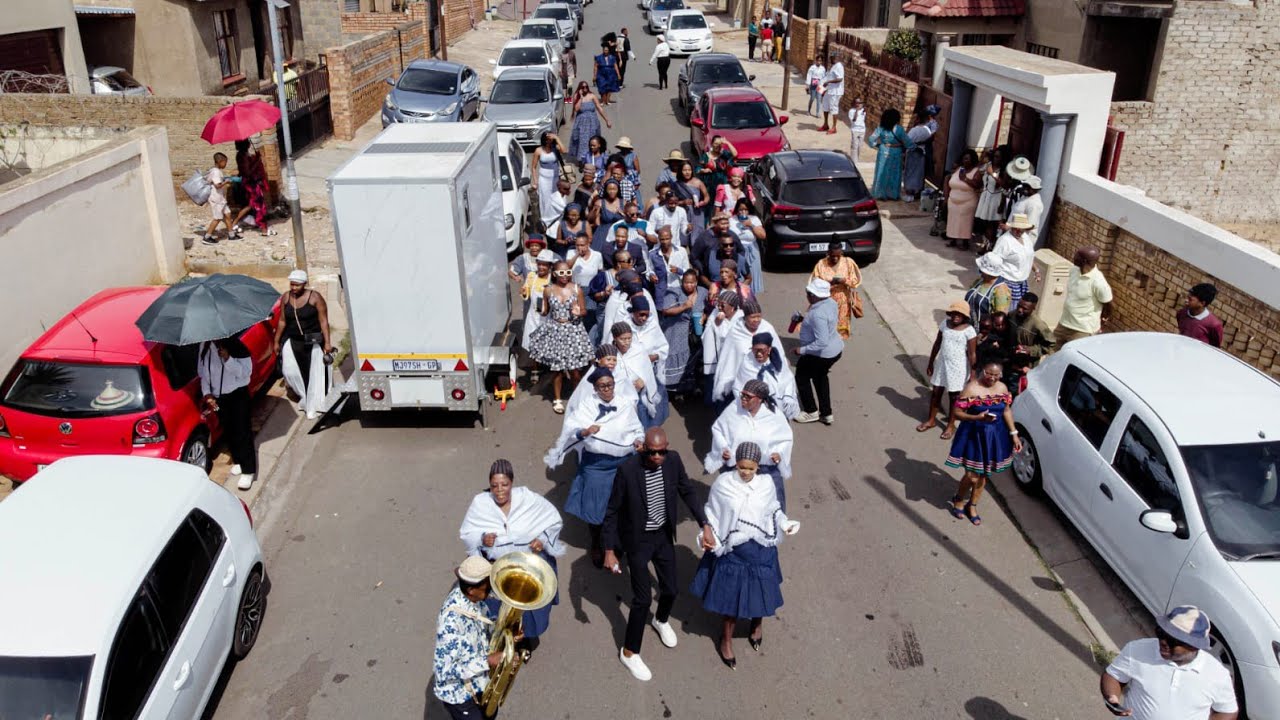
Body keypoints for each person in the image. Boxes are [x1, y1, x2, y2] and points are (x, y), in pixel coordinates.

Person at [602, 427, 713, 682]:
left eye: (662, 452)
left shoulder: (672, 461)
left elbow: (687, 491)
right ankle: (629, 652)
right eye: (653, 453)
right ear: (644, 449)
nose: (657, 457)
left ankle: (661, 620)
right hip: (638, 541)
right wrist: (609, 550)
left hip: (663, 536)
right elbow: (611, 512)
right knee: (641, 600)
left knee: (671, 589)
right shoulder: (628, 470)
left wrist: (704, 523)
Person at [691, 441, 799, 668]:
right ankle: (726, 641)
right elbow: (711, 512)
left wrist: (785, 523)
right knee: (731, 603)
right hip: (734, 551)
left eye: (750, 468)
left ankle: (756, 625)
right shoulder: (723, 483)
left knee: (760, 591)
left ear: (758, 466)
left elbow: (773, 509)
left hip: (760, 548)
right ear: (735, 464)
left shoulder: (767, 484)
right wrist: (707, 535)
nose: (746, 472)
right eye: (741, 467)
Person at [459, 459, 565, 644]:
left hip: (527, 569)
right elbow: (467, 534)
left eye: (504, 484)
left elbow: (554, 521)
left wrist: (542, 540)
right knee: (497, 610)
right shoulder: (480, 504)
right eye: (494, 485)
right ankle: (502, 639)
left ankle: (525, 639)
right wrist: (482, 539)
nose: (499, 490)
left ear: (512, 483)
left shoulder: (529, 499)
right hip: (498, 570)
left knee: (530, 610)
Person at [546, 367, 645, 564]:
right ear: (595, 388)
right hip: (596, 465)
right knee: (596, 507)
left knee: (621, 505)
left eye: (610, 385)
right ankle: (597, 543)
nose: (607, 389)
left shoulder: (625, 404)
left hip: (622, 464)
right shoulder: (586, 405)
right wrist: (584, 432)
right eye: (602, 386)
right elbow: (571, 430)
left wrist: (639, 440)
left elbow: (637, 428)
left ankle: (617, 544)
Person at [1101, 606, 1238, 720]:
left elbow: (1227, 711)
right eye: (1161, 633)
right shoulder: (1137, 649)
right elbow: (1113, 676)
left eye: (1172, 641)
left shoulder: (1217, 674)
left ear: (1194, 646)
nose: (1163, 642)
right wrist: (1112, 697)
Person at [944, 360, 1021, 527]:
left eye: (995, 375)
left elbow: (1006, 410)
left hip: (996, 436)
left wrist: (1014, 434)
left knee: (984, 474)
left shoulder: (1002, 388)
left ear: (1000, 375)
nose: (991, 378)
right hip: (973, 435)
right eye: (988, 373)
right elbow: (957, 413)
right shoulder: (971, 388)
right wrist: (977, 418)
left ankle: (972, 506)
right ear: (982, 371)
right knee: (972, 475)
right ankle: (959, 498)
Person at [431, 556, 505, 720]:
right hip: (462, 696)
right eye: (488, 585)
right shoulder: (450, 624)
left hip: (479, 681)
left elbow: (485, 627)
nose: (492, 588)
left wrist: (508, 635)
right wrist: (487, 661)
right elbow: (444, 671)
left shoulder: (476, 601)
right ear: (472, 589)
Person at [528, 261, 594, 414]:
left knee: (575, 370)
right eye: (561, 273)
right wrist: (540, 310)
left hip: (574, 330)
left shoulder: (577, 289)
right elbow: (545, 311)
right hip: (555, 330)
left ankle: (577, 397)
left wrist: (579, 312)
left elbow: (584, 310)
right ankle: (557, 399)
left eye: (568, 272)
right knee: (556, 370)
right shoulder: (548, 290)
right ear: (555, 273)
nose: (565, 276)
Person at [274, 269, 333, 420]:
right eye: (292, 284)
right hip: (293, 341)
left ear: (305, 284)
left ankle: (312, 404)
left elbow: (324, 321)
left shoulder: (315, 298)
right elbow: (282, 320)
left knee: (313, 374)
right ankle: (304, 396)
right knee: (291, 372)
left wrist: (327, 342)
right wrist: (276, 341)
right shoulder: (287, 297)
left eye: (297, 285)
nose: (293, 288)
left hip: (312, 342)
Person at [198, 338, 256, 490]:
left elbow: (246, 373)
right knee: (227, 429)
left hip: (238, 396)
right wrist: (208, 394)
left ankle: (249, 469)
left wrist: (228, 359)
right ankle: (238, 459)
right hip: (218, 401)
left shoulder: (236, 346)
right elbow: (203, 373)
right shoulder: (205, 345)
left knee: (242, 431)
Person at [919, 300, 977, 437]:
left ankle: (950, 425)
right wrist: (931, 362)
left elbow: (972, 354)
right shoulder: (945, 324)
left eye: (960, 314)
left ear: (965, 316)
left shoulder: (969, 331)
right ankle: (931, 420)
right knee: (936, 392)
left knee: (954, 397)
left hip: (958, 368)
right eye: (954, 313)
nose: (956, 316)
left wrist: (973, 374)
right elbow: (937, 343)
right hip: (942, 365)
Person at [792, 278, 843, 425]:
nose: (806, 295)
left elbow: (821, 341)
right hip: (835, 349)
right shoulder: (830, 303)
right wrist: (804, 319)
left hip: (821, 354)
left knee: (802, 376)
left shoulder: (817, 314)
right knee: (820, 377)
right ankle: (826, 413)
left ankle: (810, 411)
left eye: (808, 293)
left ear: (814, 295)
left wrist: (801, 350)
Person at [731, 331, 799, 419]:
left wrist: (788, 397)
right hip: (756, 411)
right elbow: (739, 386)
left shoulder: (779, 361)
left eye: (762, 350)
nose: (758, 354)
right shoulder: (747, 363)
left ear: (769, 349)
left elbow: (788, 380)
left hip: (779, 407)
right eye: (755, 350)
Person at [659, 269, 706, 396]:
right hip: (675, 331)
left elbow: (708, 308)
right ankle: (673, 390)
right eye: (686, 282)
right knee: (676, 357)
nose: (689, 285)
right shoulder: (674, 292)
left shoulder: (702, 292)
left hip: (694, 332)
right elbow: (666, 310)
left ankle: (689, 387)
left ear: (696, 282)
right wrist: (684, 307)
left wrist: (703, 317)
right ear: (682, 282)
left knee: (692, 358)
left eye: (692, 282)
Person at [1055, 245, 1113, 347]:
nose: (1074, 256)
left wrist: (1103, 320)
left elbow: (1108, 304)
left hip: (1082, 331)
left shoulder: (1098, 282)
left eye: (1078, 256)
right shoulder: (1074, 270)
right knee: (1050, 352)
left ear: (1085, 261)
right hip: (1064, 324)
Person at [626, 296, 670, 427]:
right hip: (633, 375)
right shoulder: (625, 326)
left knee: (653, 403)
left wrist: (654, 356)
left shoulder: (653, 326)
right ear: (633, 312)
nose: (644, 318)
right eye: (641, 315)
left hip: (652, 372)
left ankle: (653, 431)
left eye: (646, 315)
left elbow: (663, 347)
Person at [809, 240, 862, 339]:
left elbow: (855, 282)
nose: (835, 258)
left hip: (843, 304)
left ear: (841, 253)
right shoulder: (821, 264)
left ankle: (837, 348)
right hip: (825, 302)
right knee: (825, 328)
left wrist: (844, 280)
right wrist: (829, 283)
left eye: (838, 256)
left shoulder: (848, 263)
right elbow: (814, 283)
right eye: (832, 256)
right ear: (828, 253)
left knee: (841, 331)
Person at [988, 213, 1037, 305]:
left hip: (1022, 282)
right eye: (1016, 229)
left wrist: (1036, 270)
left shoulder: (1026, 238)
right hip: (1008, 283)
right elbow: (994, 262)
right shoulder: (1005, 241)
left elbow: (1028, 257)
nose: (1018, 232)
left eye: (1021, 230)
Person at [701, 290, 740, 405]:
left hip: (732, 360)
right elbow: (708, 333)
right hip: (716, 357)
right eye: (718, 304)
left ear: (732, 308)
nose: (719, 307)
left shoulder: (741, 318)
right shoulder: (715, 313)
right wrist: (717, 323)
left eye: (723, 305)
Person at [867, 109, 913, 200]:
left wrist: (878, 145)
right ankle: (892, 195)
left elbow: (871, 139)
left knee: (881, 172)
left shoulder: (881, 128)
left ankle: (880, 194)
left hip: (883, 151)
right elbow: (908, 143)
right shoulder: (899, 129)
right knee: (894, 173)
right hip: (896, 153)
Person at [232, 139, 274, 236]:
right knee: (259, 205)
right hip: (251, 184)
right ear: (245, 145)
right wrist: (257, 161)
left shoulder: (242, 155)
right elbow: (248, 172)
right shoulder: (242, 156)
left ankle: (234, 222)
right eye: (247, 142)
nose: (249, 144)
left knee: (251, 205)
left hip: (249, 183)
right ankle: (263, 228)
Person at [944, 148, 983, 250]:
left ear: (973, 160)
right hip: (953, 201)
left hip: (968, 202)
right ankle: (953, 239)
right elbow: (949, 179)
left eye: (968, 159)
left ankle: (965, 243)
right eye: (964, 159)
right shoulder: (959, 169)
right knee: (953, 220)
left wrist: (965, 179)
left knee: (965, 222)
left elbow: (977, 185)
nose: (966, 161)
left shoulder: (976, 172)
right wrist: (946, 196)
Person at [520, 249, 557, 355]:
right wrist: (523, 292)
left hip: (549, 316)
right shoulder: (532, 276)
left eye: (544, 265)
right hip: (533, 316)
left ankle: (546, 367)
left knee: (548, 343)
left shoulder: (553, 279)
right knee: (532, 343)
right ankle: (535, 368)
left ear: (550, 266)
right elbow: (526, 293)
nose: (541, 267)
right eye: (539, 264)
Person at [902, 105, 941, 203]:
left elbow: (908, 141)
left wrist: (916, 144)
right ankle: (918, 190)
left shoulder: (917, 129)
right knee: (919, 172)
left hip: (914, 152)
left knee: (911, 172)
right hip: (922, 152)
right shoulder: (927, 128)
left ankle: (911, 191)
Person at [728, 197, 766, 295]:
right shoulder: (732, 220)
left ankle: (751, 298)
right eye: (741, 209)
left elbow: (762, 235)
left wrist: (751, 225)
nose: (743, 212)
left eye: (745, 209)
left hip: (752, 250)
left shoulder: (754, 219)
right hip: (737, 251)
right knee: (738, 275)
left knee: (751, 275)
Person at [202, 152, 241, 245]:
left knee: (228, 214)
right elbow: (217, 185)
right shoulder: (215, 172)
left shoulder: (216, 171)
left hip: (221, 198)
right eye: (225, 162)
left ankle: (231, 235)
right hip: (216, 198)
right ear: (220, 161)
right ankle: (207, 237)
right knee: (217, 218)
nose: (225, 164)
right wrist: (226, 181)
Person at [974, 147, 1007, 250]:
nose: (997, 159)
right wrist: (984, 156)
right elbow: (978, 170)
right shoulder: (988, 165)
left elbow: (1004, 185)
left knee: (993, 225)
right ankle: (986, 244)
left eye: (999, 157)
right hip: (986, 197)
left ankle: (990, 246)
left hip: (996, 198)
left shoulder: (1003, 170)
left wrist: (992, 174)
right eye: (995, 156)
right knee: (984, 223)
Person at [569, 83, 611, 162]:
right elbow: (576, 109)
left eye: (586, 87)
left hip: (592, 123)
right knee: (583, 142)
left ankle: (594, 158)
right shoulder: (577, 96)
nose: (585, 88)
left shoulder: (592, 96)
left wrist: (607, 120)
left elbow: (599, 108)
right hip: (582, 124)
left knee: (593, 141)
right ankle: (582, 160)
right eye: (583, 87)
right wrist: (581, 97)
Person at [532, 132, 567, 227]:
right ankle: (545, 221)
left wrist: (557, 138)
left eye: (551, 140)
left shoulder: (556, 148)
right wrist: (535, 181)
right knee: (545, 200)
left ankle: (558, 218)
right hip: (543, 179)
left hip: (555, 178)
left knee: (557, 198)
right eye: (547, 140)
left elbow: (564, 150)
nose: (549, 142)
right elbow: (534, 167)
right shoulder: (538, 150)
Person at [966, 254, 1011, 326]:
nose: (979, 271)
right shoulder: (980, 280)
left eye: (981, 270)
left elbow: (999, 319)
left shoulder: (1001, 291)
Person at [1177, 283, 1224, 348]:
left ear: (1202, 303)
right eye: (1188, 297)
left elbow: (1215, 348)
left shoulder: (1214, 325)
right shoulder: (1182, 313)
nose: (1186, 300)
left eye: (1190, 299)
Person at [697, 135, 738, 205]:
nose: (717, 146)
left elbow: (735, 154)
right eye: (716, 143)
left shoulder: (724, 154)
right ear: (712, 144)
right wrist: (703, 170)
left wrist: (727, 143)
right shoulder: (705, 156)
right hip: (709, 186)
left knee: (722, 205)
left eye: (720, 144)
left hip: (722, 185)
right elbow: (697, 168)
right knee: (708, 206)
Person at [673, 161, 709, 232]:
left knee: (697, 234)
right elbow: (672, 202)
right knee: (684, 234)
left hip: (697, 213)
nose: (687, 172)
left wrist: (702, 203)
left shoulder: (698, 182)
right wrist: (683, 202)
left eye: (689, 170)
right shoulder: (676, 185)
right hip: (683, 213)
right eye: (684, 170)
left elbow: (707, 197)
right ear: (680, 171)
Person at [818, 52, 844, 136]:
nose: (830, 60)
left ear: (835, 58)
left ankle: (834, 127)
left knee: (833, 108)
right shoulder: (833, 66)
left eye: (831, 58)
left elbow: (839, 79)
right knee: (825, 106)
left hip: (835, 92)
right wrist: (822, 89)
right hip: (829, 90)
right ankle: (826, 124)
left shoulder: (839, 66)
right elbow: (828, 77)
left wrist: (828, 82)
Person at [594, 40, 622, 105]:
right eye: (604, 50)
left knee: (610, 86)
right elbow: (595, 67)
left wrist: (618, 74)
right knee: (602, 86)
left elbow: (615, 66)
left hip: (611, 73)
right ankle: (603, 100)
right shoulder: (598, 58)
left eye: (607, 50)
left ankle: (607, 100)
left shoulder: (612, 57)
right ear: (603, 50)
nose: (606, 51)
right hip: (601, 74)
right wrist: (595, 76)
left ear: (608, 51)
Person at [847, 98, 867, 162]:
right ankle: (853, 161)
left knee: (860, 146)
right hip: (855, 130)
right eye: (857, 103)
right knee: (854, 146)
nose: (859, 104)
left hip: (862, 130)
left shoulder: (863, 110)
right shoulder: (851, 111)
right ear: (854, 103)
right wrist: (856, 111)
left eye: (860, 103)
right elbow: (853, 120)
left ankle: (857, 159)